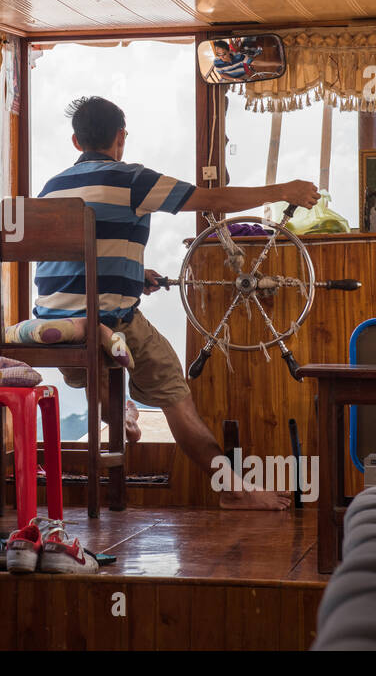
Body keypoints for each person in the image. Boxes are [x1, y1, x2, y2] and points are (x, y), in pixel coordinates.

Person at [34, 95, 319, 512]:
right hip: (108, 324)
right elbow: (214, 202)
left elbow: (75, 262)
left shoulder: (51, 189)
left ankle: (118, 412)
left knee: (100, 359)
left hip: (55, 328)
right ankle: (233, 491)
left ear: (76, 142)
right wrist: (283, 190)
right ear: (121, 137)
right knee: (172, 392)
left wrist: (134, 275)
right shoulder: (133, 180)